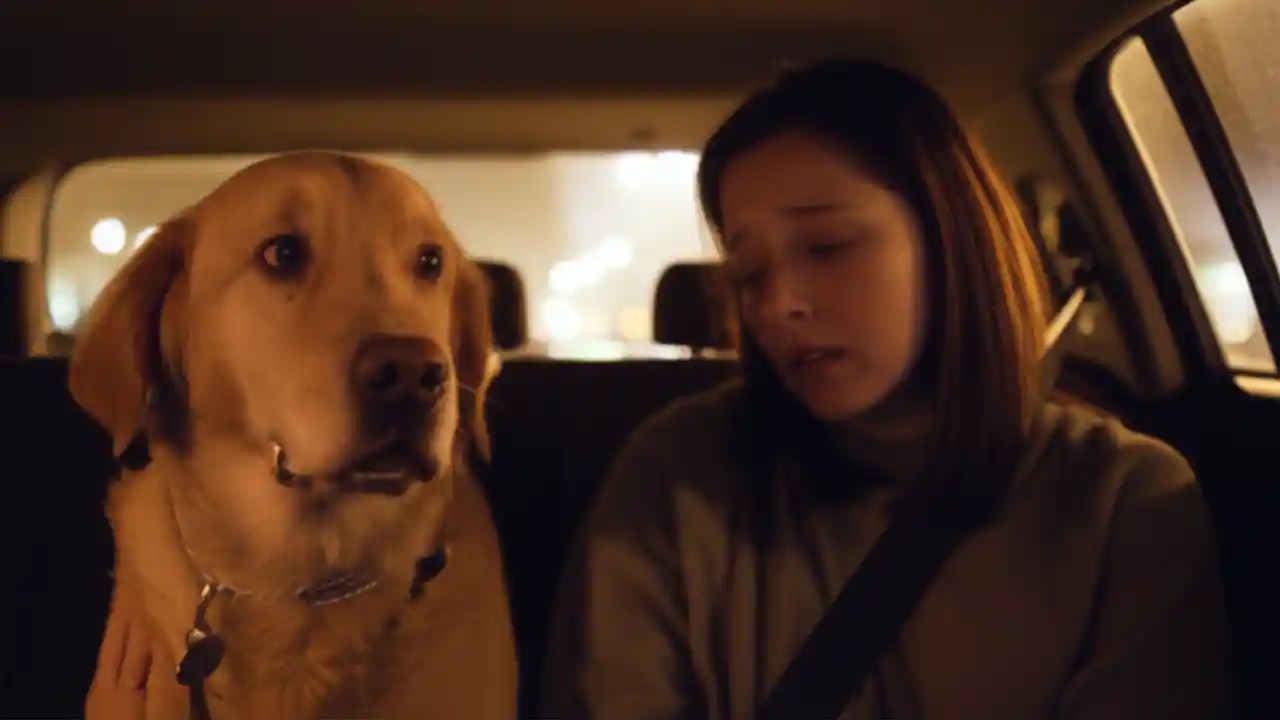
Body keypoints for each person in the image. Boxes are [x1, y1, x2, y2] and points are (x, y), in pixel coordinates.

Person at [540, 58, 1232, 719]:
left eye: (828, 246)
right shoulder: (675, 474)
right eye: (748, 273)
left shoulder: (1125, 500)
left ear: (950, 238)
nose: (778, 304)